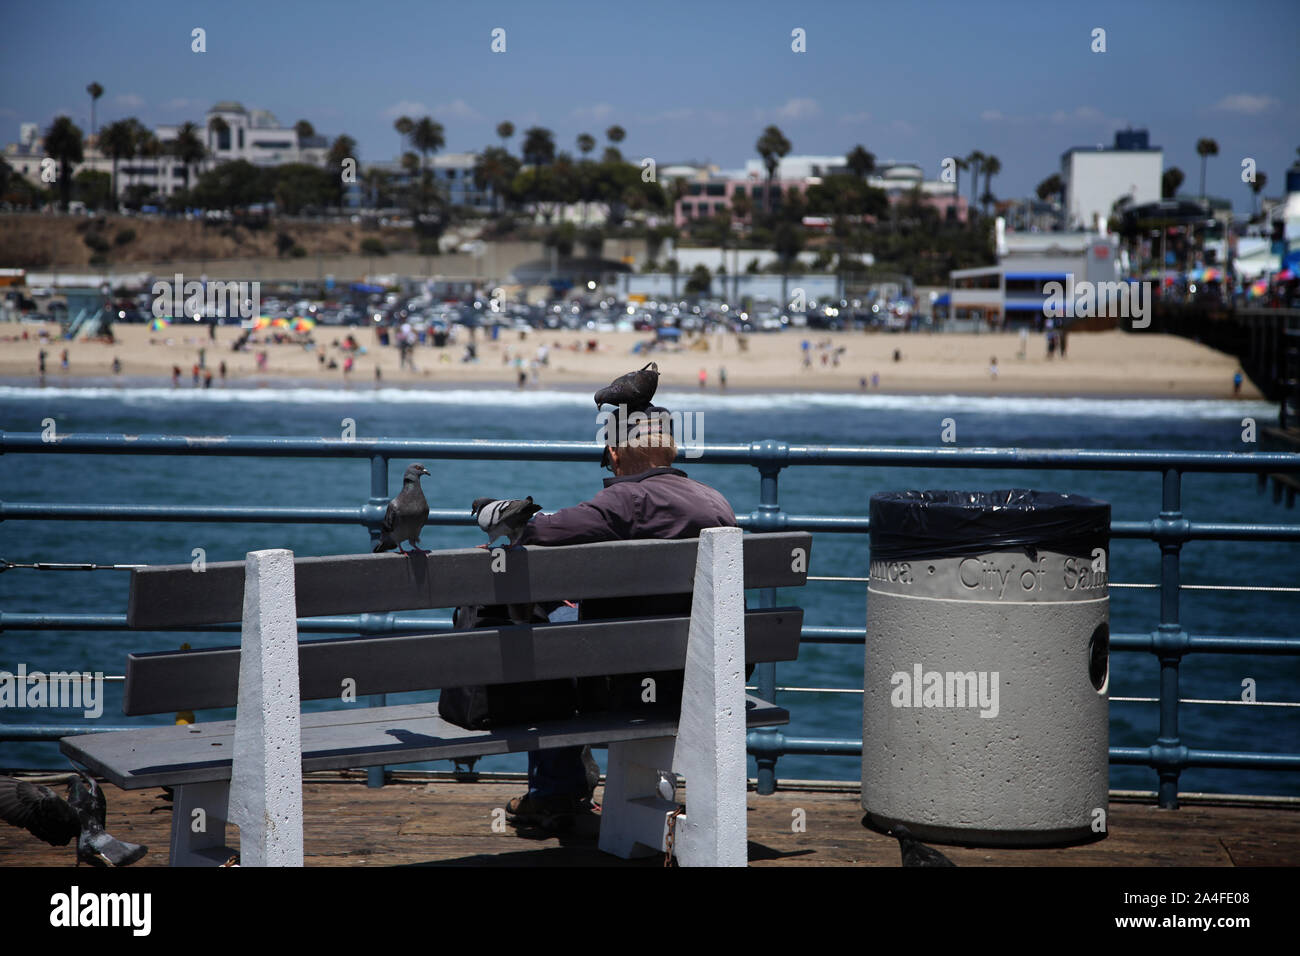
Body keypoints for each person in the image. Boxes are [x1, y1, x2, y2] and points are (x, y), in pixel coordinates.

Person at [502, 405, 736, 829]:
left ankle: (554, 791)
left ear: (614, 454)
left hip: (625, 684)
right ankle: (566, 787)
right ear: (671, 453)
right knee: (573, 629)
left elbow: (544, 530)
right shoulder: (715, 501)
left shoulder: (626, 498)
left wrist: (515, 520)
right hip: (701, 677)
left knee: (548, 642)